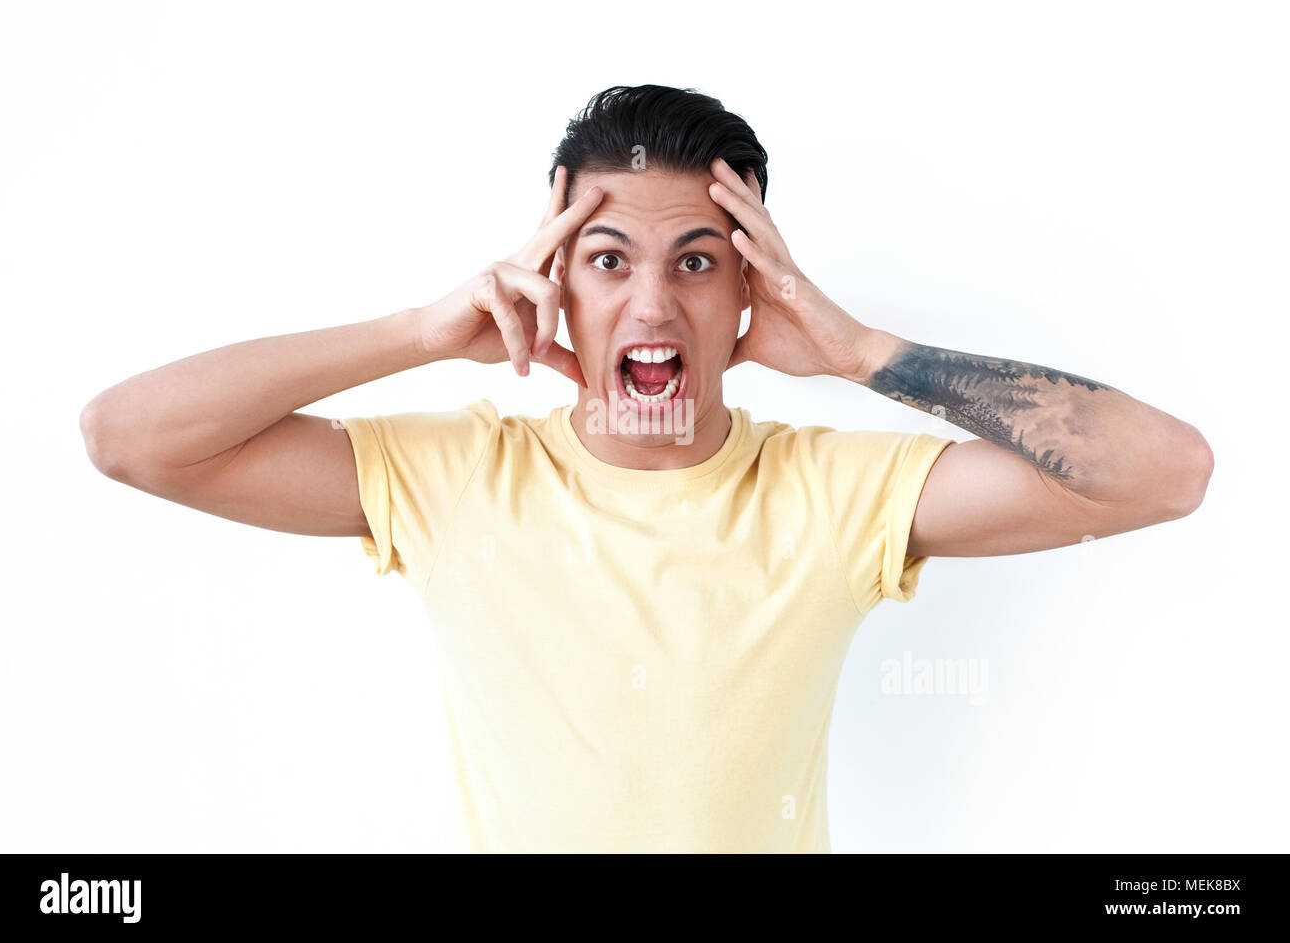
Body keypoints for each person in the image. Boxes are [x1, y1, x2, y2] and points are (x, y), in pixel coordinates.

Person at [79, 84, 1213, 852]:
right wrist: (418, 333)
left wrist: (864, 352)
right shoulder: (457, 473)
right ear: (554, 283)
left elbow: (1163, 471)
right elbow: (129, 436)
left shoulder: (832, 494)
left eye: (698, 261)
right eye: (606, 259)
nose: (651, 302)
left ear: (748, 298)